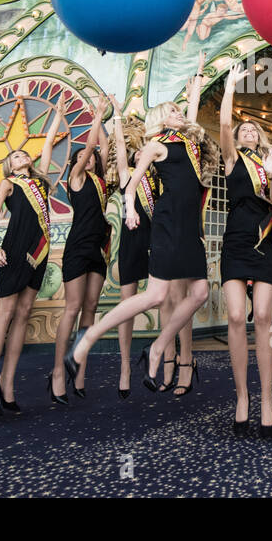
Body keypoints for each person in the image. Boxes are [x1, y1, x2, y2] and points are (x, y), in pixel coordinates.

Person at [64, 58, 217, 396]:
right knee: (156, 295)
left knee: (200, 292)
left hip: (190, 227)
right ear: (162, 119)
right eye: (173, 110)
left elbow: (190, 119)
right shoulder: (155, 145)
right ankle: (89, 337)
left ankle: (158, 347)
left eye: (180, 110)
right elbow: (131, 183)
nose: (180, 113)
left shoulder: (188, 143)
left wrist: (198, 79)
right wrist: (131, 208)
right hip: (168, 224)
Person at [0, 99, 65, 412]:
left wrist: (56, 117)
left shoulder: (39, 182)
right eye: (15, 155)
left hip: (39, 251)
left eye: (24, 153)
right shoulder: (8, 183)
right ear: (10, 164)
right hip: (14, 249)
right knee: (5, 314)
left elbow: (46, 145)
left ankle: (8, 381)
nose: (21, 156)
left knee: (25, 312)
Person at [219, 63, 272, 436]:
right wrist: (230, 87)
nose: (246, 132)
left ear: (260, 138)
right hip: (235, 242)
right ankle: (242, 397)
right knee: (234, 317)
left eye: (252, 130)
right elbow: (225, 127)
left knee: (262, 318)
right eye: (244, 129)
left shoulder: (269, 163)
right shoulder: (233, 160)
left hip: (264, 246)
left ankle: (267, 399)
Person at [47, 94, 111, 402]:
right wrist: (96, 116)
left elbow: (104, 150)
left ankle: (79, 371)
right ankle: (57, 372)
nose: (89, 159)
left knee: (89, 311)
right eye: (84, 159)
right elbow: (87, 151)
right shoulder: (75, 179)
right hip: (77, 248)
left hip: (99, 250)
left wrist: (113, 119)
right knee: (72, 309)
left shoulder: (100, 183)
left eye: (92, 159)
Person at [109, 101, 159, 398]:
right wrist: (116, 113)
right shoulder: (128, 176)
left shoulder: (161, 178)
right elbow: (117, 145)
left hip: (158, 241)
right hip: (131, 242)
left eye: (146, 150)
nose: (140, 152)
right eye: (136, 151)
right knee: (126, 305)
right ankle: (125, 366)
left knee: (165, 300)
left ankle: (163, 359)